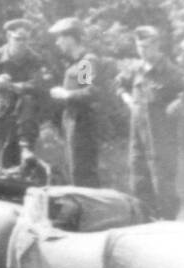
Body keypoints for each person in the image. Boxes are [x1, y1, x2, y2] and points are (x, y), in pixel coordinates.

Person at [115, 26, 184, 220]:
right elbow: (119, 83)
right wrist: (127, 99)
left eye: (146, 46)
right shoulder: (136, 69)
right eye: (139, 46)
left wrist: (178, 103)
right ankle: (146, 223)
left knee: (162, 182)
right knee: (139, 180)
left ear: (157, 46)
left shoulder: (169, 71)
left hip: (161, 136)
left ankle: (168, 224)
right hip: (138, 135)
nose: (142, 51)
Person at [0, 19, 51, 171]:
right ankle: (9, 175)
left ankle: (21, 166)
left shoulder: (34, 58)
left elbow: (39, 85)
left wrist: (20, 86)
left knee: (23, 148)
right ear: (8, 37)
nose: (21, 43)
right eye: (17, 38)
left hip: (26, 113)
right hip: (2, 109)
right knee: (7, 146)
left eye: (25, 39)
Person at [48, 18, 102, 187]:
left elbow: (90, 92)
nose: (57, 42)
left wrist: (65, 94)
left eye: (60, 37)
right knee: (73, 169)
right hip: (72, 121)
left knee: (82, 171)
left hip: (82, 123)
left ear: (71, 38)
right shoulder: (76, 63)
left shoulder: (86, 61)